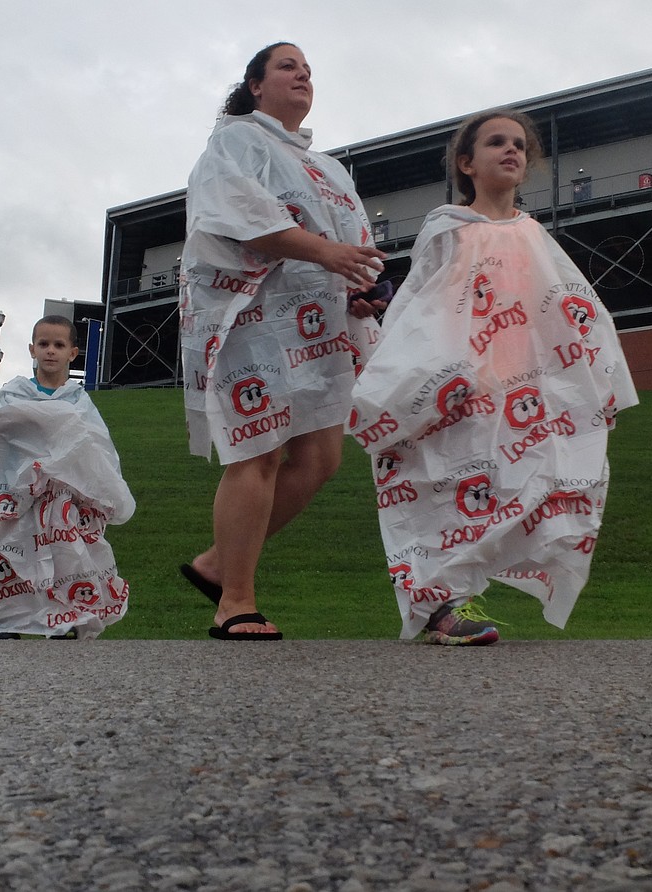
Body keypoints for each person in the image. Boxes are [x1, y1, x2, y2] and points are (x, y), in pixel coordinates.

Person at [349, 110, 639, 645]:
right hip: (459, 388)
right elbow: (424, 305)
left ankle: (455, 594)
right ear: (467, 163)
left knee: (539, 480)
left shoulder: (532, 234)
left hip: (527, 390)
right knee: (446, 487)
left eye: (520, 145)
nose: (512, 151)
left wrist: (591, 380)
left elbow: (566, 308)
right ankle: (439, 608)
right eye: (496, 143)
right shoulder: (448, 228)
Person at [177, 42, 387, 640]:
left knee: (321, 460)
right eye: (288, 67)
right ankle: (234, 602)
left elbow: (353, 243)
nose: (303, 76)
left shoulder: (329, 167)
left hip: (319, 324)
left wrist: (359, 291)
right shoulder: (236, 141)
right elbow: (236, 215)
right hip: (250, 313)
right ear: (254, 85)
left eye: (309, 70)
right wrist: (328, 253)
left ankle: (217, 563)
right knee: (258, 452)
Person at [0, 316, 135, 640]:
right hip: (21, 494)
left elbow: (94, 445)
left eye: (59, 345)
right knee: (13, 550)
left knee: (65, 555)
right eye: (44, 344)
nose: (50, 351)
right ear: (32, 349)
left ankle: (63, 617)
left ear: (73, 352)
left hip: (63, 497)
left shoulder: (78, 401)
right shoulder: (12, 395)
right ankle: (10, 620)